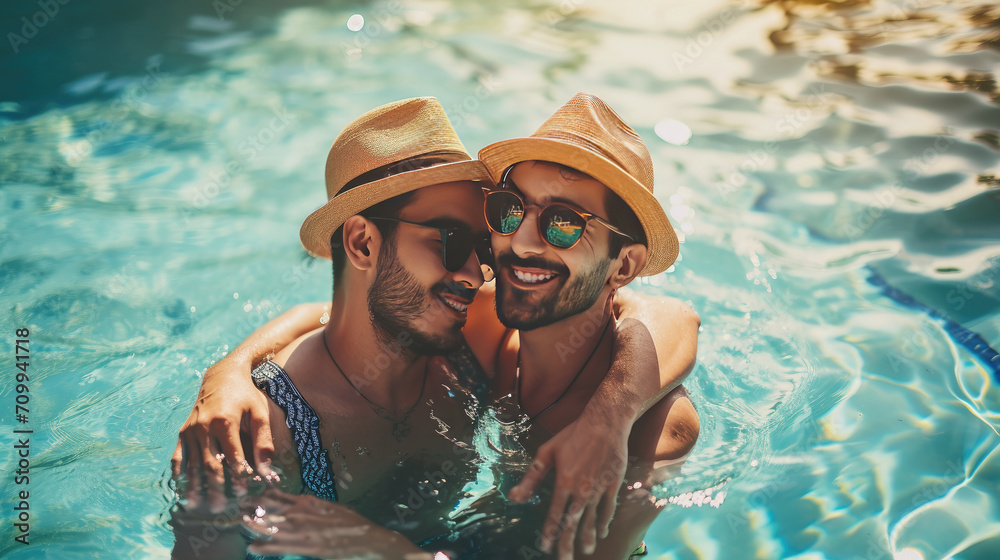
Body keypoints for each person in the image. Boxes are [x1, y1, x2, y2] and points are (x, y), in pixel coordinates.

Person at [172, 94, 700, 560]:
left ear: (624, 266)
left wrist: (609, 418)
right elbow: (336, 313)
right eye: (509, 212)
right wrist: (229, 371)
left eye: (564, 223)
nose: (518, 246)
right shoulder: (477, 331)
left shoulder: (648, 433)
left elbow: (673, 314)